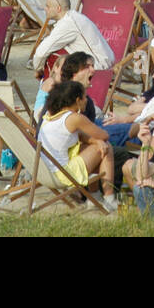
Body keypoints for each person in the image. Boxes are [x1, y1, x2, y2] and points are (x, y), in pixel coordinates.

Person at [38, 80, 118, 211]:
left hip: (46, 171)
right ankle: (109, 199)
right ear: (77, 100)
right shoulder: (75, 118)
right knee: (106, 146)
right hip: (63, 174)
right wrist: (99, 141)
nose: (87, 100)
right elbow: (104, 135)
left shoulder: (51, 115)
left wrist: (94, 141)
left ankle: (95, 197)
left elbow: (80, 136)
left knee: (96, 146)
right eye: (85, 97)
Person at [30, 0, 115, 73]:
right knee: (57, 51)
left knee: (52, 57)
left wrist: (38, 69)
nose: (45, 9)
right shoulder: (75, 17)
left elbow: (41, 52)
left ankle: (48, 87)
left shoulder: (67, 24)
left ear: (58, 8)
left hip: (99, 67)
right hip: (102, 61)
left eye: (48, 6)